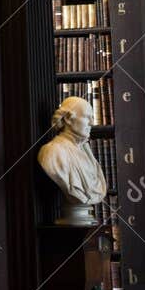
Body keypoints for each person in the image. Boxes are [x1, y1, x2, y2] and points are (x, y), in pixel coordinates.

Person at [37, 95, 107, 225]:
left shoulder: (86, 152)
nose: (92, 122)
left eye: (92, 117)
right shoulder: (52, 152)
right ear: (68, 119)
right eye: (87, 117)